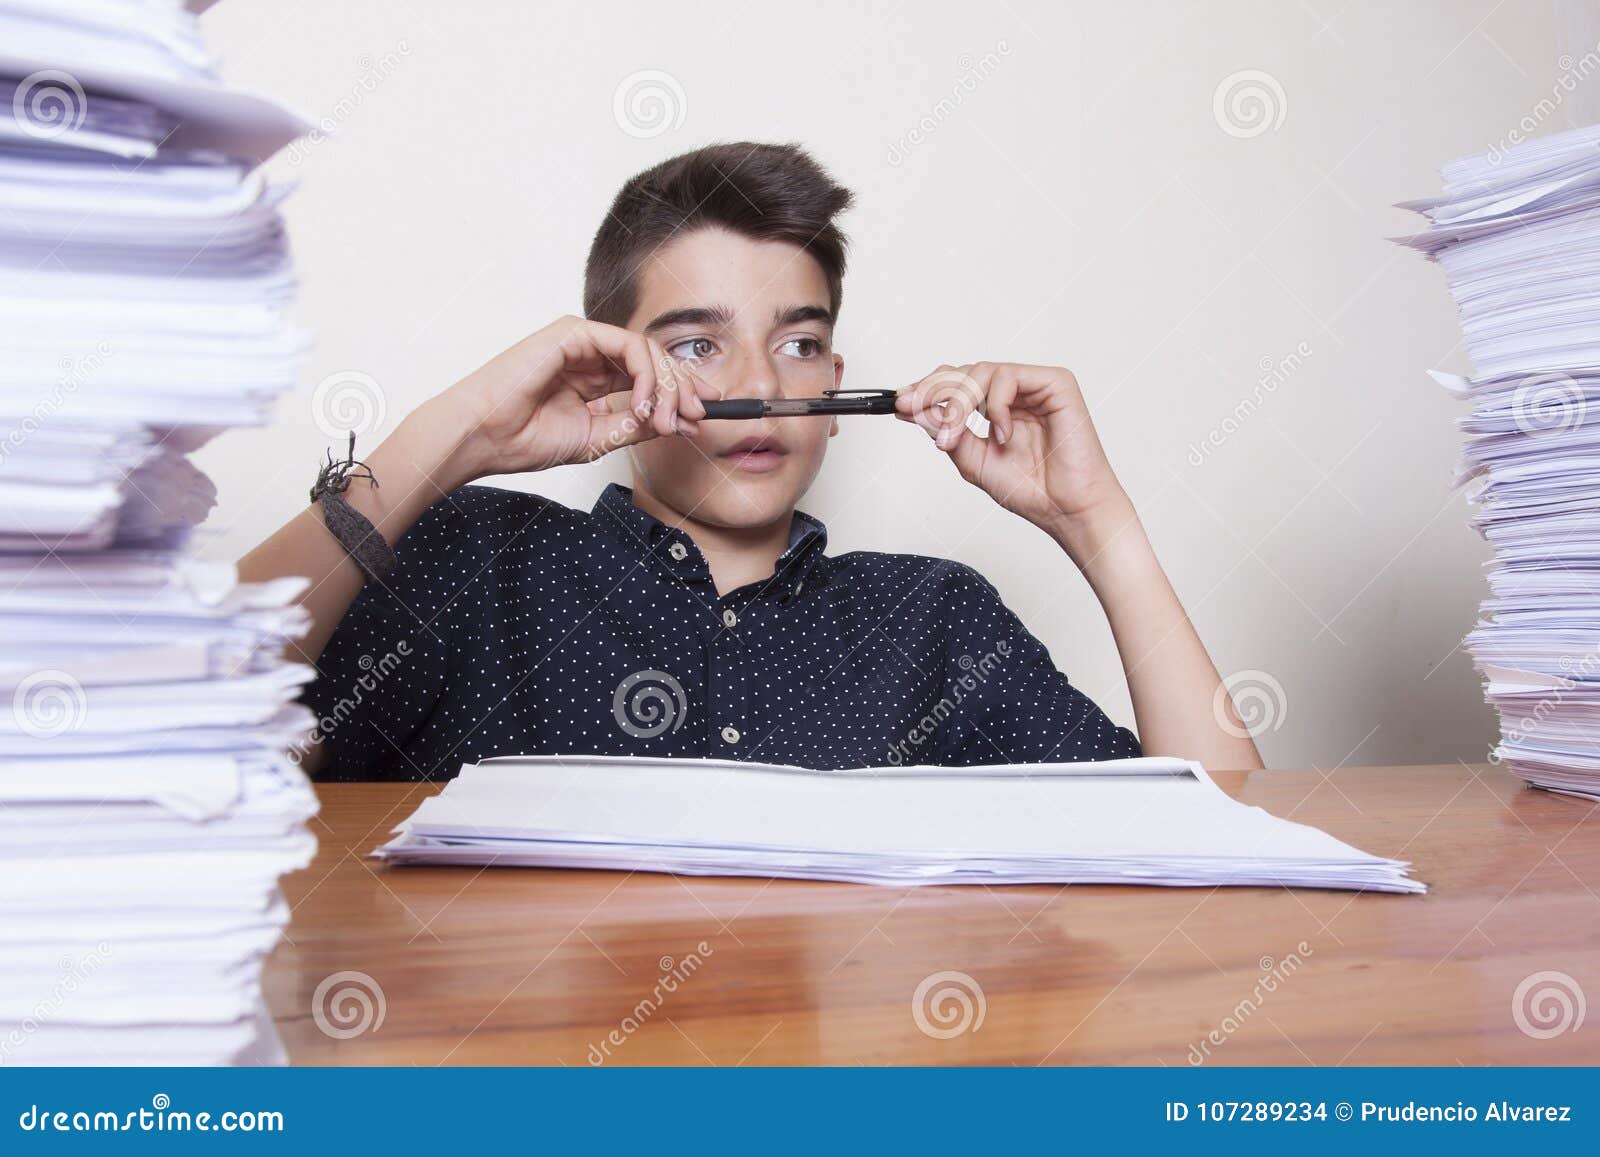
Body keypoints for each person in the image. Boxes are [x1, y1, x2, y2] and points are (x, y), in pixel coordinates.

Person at [240, 141, 1262, 780]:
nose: (761, 383)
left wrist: (1097, 521)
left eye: (798, 341)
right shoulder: (473, 563)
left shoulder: (938, 622)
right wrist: (445, 437)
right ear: (609, 370)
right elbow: (173, 731)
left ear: (836, 384)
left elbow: (1224, 834)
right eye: (694, 342)